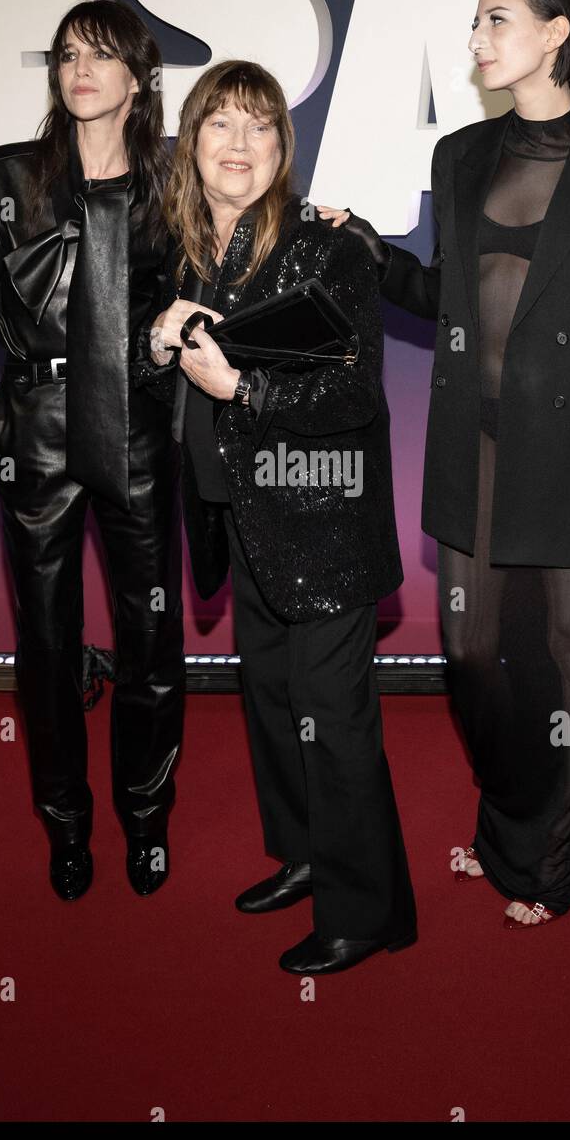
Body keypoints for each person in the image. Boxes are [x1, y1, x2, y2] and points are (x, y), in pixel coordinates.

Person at [328, 0, 570, 928]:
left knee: (567, 655)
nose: (476, 37)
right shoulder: (461, 155)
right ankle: (508, 819)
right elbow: (449, 299)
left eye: (496, 19)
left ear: (556, 35)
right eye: (475, 21)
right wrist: (370, 251)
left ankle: (550, 864)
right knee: (473, 656)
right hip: (470, 446)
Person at [134, 59, 417, 973]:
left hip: (323, 517)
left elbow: (354, 392)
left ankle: (367, 910)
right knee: (273, 704)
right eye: (222, 124)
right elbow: (147, 387)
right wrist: (154, 342)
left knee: (333, 717)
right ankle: (304, 856)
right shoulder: (179, 250)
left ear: (282, 148)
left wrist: (242, 386)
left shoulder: (324, 245)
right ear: (192, 141)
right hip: (238, 516)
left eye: (260, 127)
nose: (240, 144)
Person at [0, 0, 185, 902]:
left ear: (138, 76)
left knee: (150, 639)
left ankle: (145, 821)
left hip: (138, 425)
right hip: (34, 426)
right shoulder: (4, 177)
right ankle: (66, 826)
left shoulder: (171, 183)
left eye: (102, 55)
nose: (81, 69)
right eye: (69, 53)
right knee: (46, 643)